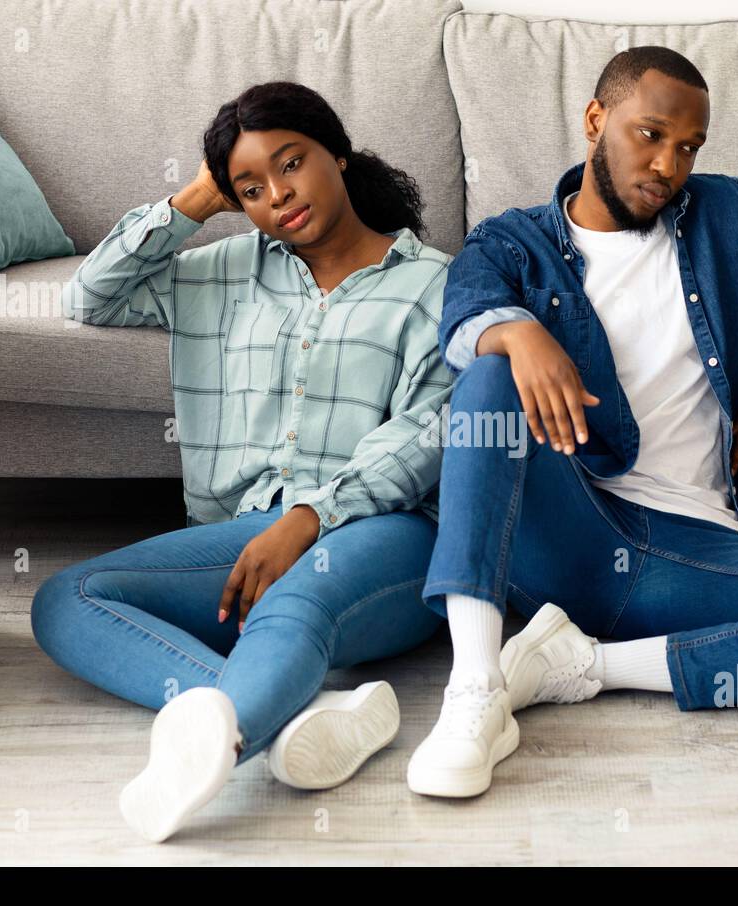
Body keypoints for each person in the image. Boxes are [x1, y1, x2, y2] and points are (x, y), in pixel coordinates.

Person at [406, 47, 738, 799]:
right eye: (650, 134)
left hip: (694, 552)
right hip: (573, 535)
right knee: (488, 372)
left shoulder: (729, 213)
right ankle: (474, 686)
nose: (669, 164)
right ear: (595, 120)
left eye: (688, 147)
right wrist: (518, 333)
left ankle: (581, 668)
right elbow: (462, 326)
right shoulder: (511, 242)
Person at [30, 81, 454, 840]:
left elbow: (426, 436)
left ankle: (230, 735)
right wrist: (198, 196)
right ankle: (298, 718)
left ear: (340, 154)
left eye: (291, 164)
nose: (278, 196)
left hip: (385, 538)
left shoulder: (434, 283)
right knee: (66, 599)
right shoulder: (223, 271)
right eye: (250, 188)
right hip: (243, 539)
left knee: (298, 601)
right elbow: (88, 298)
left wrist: (308, 518)